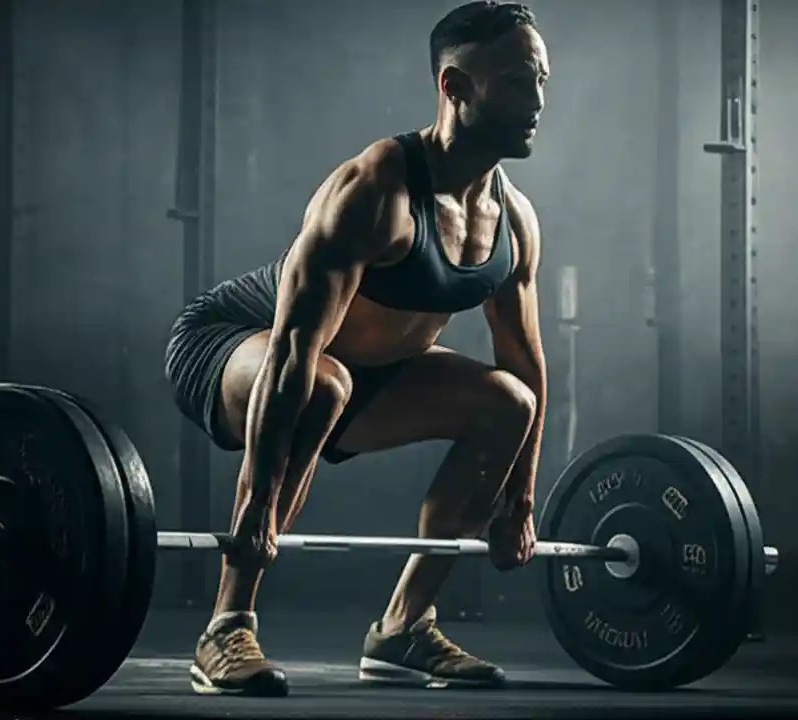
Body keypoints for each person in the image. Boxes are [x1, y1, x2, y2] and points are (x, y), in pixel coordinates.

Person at [163, 0, 550, 697]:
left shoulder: (514, 220)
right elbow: (294, 351)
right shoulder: (377, 191)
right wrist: (255, 507)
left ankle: (405, 627)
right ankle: (225, 627)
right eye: (519, 83)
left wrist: (520, 498)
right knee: (324, 383)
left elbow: (524, 362)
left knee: (509, 404)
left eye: (543, 81)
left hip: (371, 371)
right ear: (455, 89)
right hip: (239, 346)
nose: (538, 101)